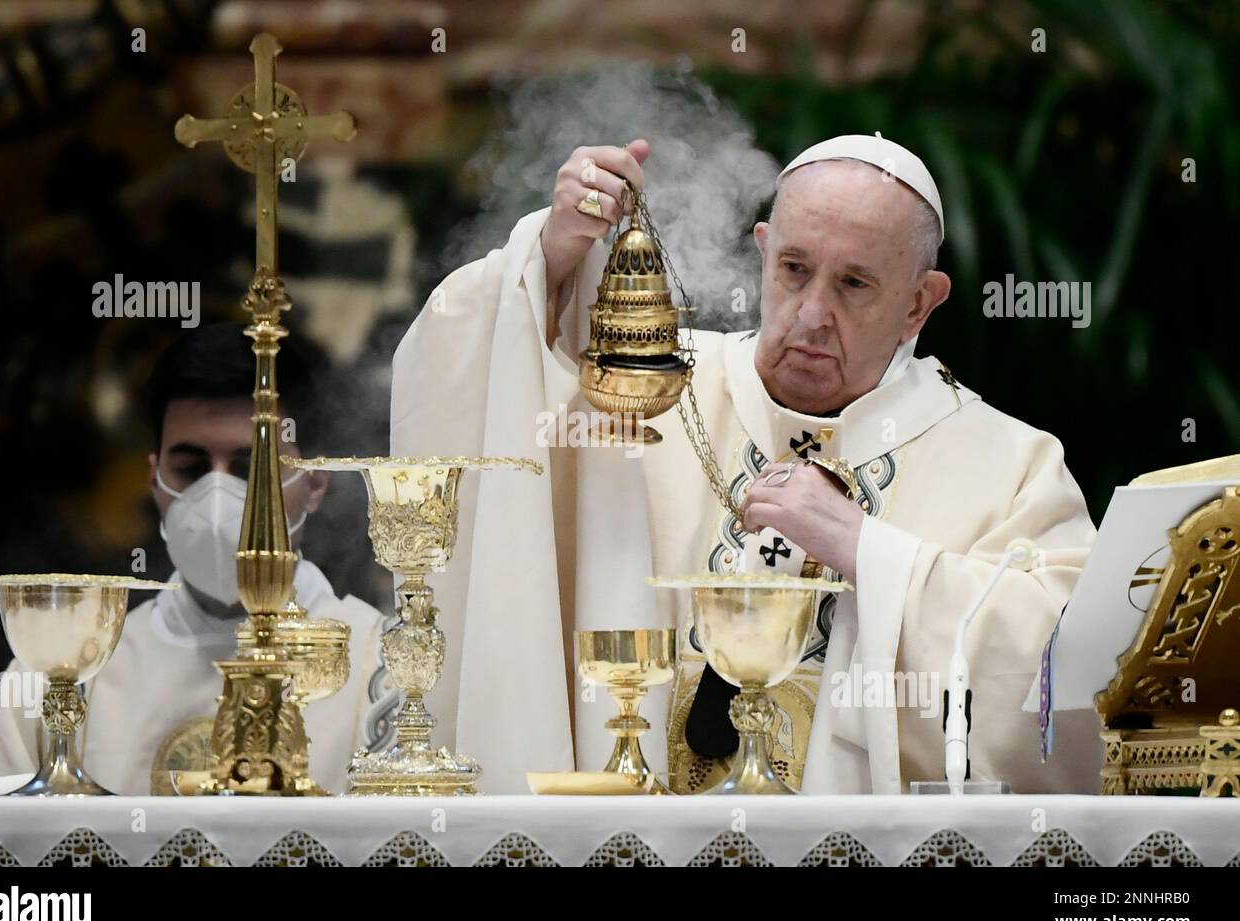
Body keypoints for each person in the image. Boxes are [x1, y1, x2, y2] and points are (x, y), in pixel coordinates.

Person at [392, 133, 1103, 794]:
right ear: (764, 251)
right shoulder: (646, 390)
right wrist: (551, 257)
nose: (812, 313)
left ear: (920, 303)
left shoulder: (1008, 462)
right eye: (794, 269)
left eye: (854, 285)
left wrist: (869, 552)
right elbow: (479, 375)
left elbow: (1071, 675)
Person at [0, 322, 397, 795]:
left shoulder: (382, 671)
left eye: (249, 469)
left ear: (315, 483)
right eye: (191, 469)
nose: (218, 497)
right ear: (153, 478)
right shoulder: (63, 671)